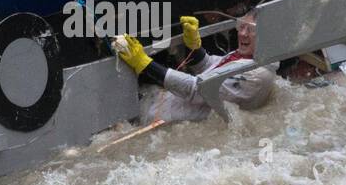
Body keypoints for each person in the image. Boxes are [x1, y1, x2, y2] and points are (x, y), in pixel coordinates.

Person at [114, 14, 276, 123]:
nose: (242, 34)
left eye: (250, 30)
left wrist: (144, 63)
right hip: (162, 105)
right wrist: (195, 48)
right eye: (241, 26)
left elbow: (199, 88)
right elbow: (209, 68)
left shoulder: (256, 76)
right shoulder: (246, 57)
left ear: (267, 36)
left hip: (169, 121)